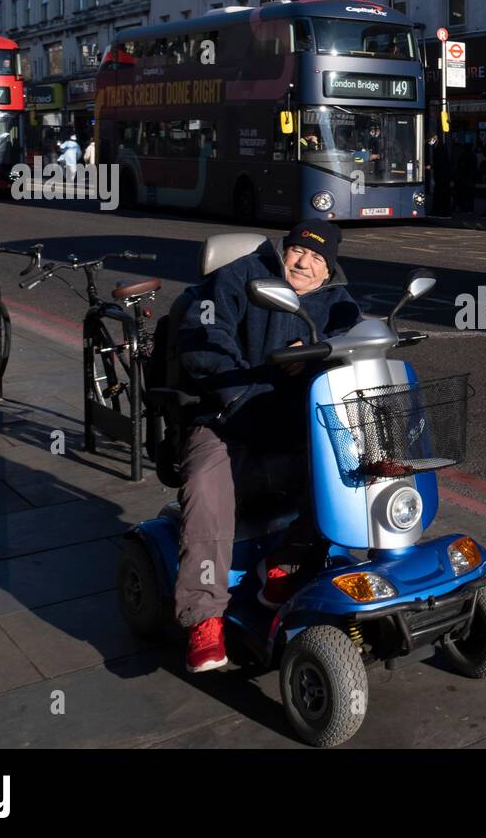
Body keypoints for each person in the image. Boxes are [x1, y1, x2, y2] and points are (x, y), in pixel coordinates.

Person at [172, 219, 361, 672]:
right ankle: (204, 617)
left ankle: (287, 563)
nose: (305, 263)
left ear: (329, 270)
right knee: (203, 484)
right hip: (227, 418)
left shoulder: (337, 300)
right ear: (284, 249)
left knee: (349, 469)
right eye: (300, 251)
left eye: (318, 258)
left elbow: (352, 340)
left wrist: (316, 345)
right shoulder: (239, 276)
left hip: (293, 425)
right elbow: (204, 339)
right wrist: (244, 395)